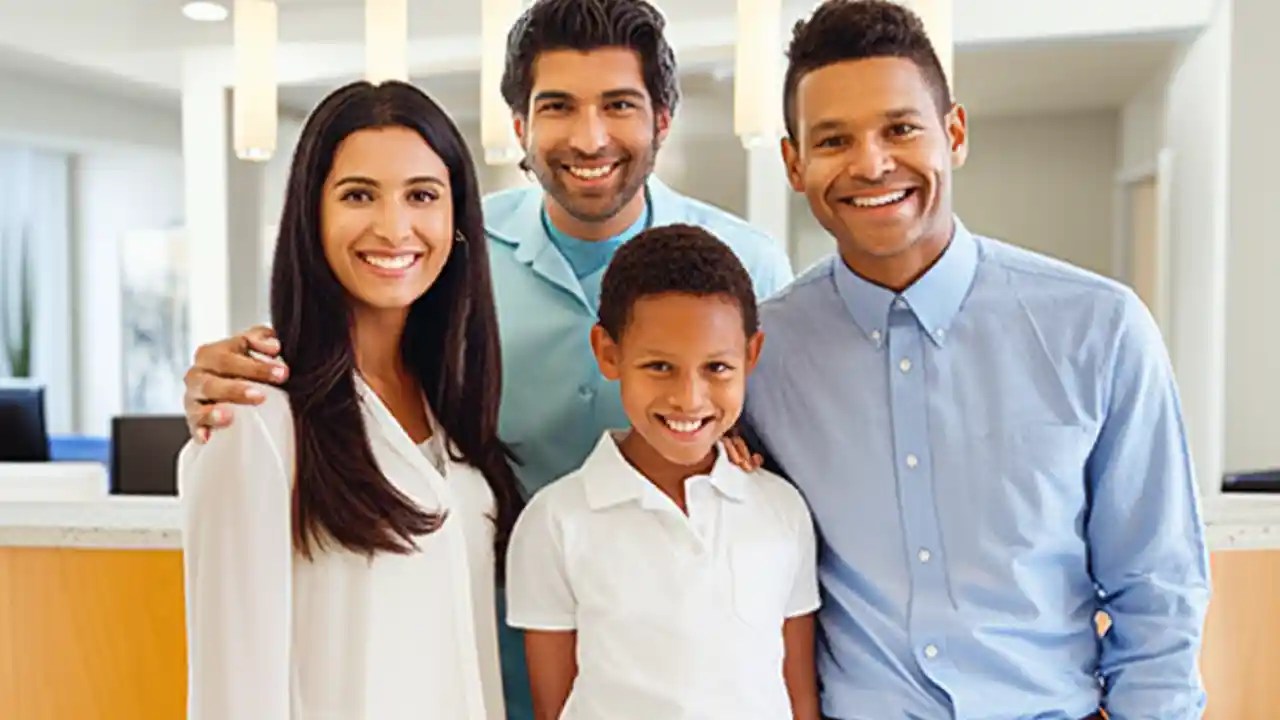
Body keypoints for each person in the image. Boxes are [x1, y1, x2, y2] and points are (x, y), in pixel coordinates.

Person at [178, 1, 794, 717]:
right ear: (520, 127)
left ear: (662, 119)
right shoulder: (455, 260)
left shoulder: (745, 268)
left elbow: (774, 480)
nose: (589, 136)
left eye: (619, 104)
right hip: (495, 668)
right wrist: (224, 387)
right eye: (558, 106)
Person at [735, 1, 1211, 718]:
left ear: (954, 134)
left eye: (900, 128)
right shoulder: (758, 357)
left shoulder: (1100, 330)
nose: (871, 164)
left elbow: (1158, 589)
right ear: (794, 164)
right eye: (833, 139)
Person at [179, 80, 523, 719]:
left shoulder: (450, 402)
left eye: (422, 195)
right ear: (311, 217)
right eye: (359, 195)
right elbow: (233, 693)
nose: (393, 228)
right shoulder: (256, 418)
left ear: (457, 220)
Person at [505, 224, 821, 720]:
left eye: (716, 368)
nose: (688, 399)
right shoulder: (555, 522)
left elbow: (798, 697)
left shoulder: (781, 509)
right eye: (659, 367)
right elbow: (555, 708)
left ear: (751, 355)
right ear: (609, 354)